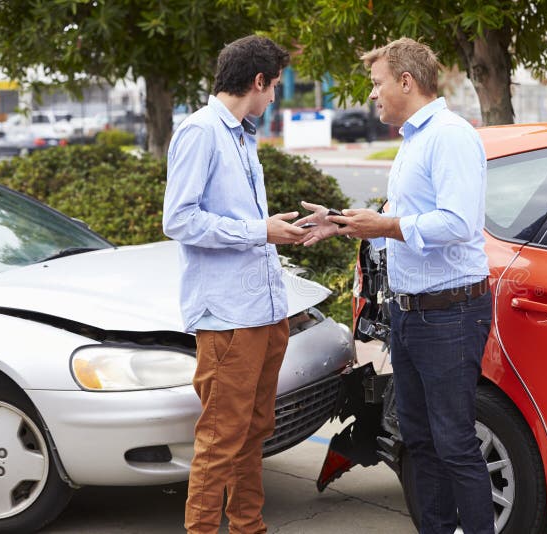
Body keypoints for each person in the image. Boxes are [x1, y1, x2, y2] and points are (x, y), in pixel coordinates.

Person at [298, 37, 493, 534]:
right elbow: (401, 217)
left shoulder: (449, 136)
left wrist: (384, 226)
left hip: (448, 314)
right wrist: (344, 223)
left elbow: (457, 223)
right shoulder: (413, 140)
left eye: (377, 83)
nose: (372, 94)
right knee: (419, 441)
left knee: (454, 444)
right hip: (411, 314)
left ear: (406, 82)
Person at [162, 35, 306, 534]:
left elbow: (239, 220)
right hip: (227, 317)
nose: (275, 97)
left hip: (264, 311)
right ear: (258, 81)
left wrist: (273, 229)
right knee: (220, 439)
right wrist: (258, 231)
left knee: (254, 431)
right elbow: (179, 220)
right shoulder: (200, 132)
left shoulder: (242, 135)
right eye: (275, 87)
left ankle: (249, 527)